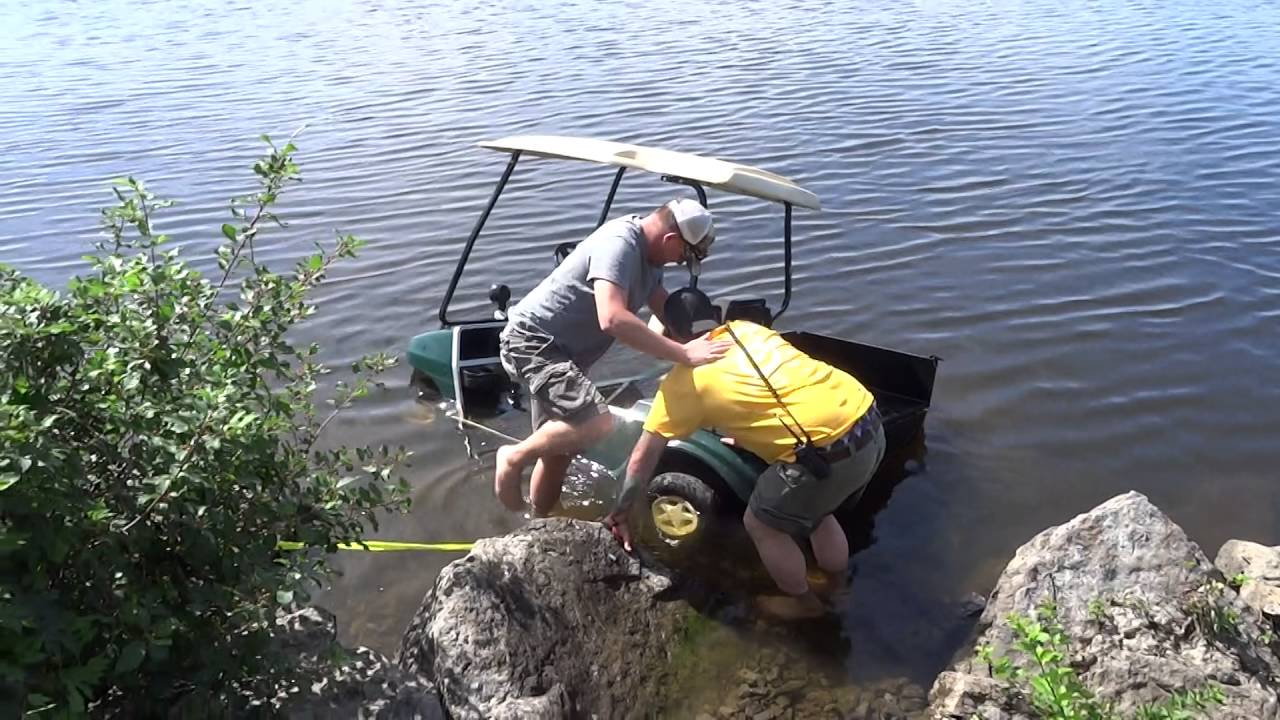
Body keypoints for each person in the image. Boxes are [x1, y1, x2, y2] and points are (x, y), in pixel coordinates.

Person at [604, 288, 886, 619]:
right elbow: (771, 387)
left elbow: (641, 458)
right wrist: (754, 435)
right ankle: (838, 586)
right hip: (868, 421)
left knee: (763, 524)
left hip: (827, 451)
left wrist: (621, 511)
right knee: (817, 511)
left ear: (674, 337)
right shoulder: (749, 330)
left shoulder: (683, 385)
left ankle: (803, 602)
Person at [494, 199, 733, 515]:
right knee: (596, 422)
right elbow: (613, 318)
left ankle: (540, 522)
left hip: (564, 355)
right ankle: (512, 457)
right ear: (671, 240)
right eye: (683, 256)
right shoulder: (620, 244)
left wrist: (711, 348)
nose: (679, 263)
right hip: (534, 341)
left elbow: (668, 314)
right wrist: (685, 353)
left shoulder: (651, 262)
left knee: (558, 453)